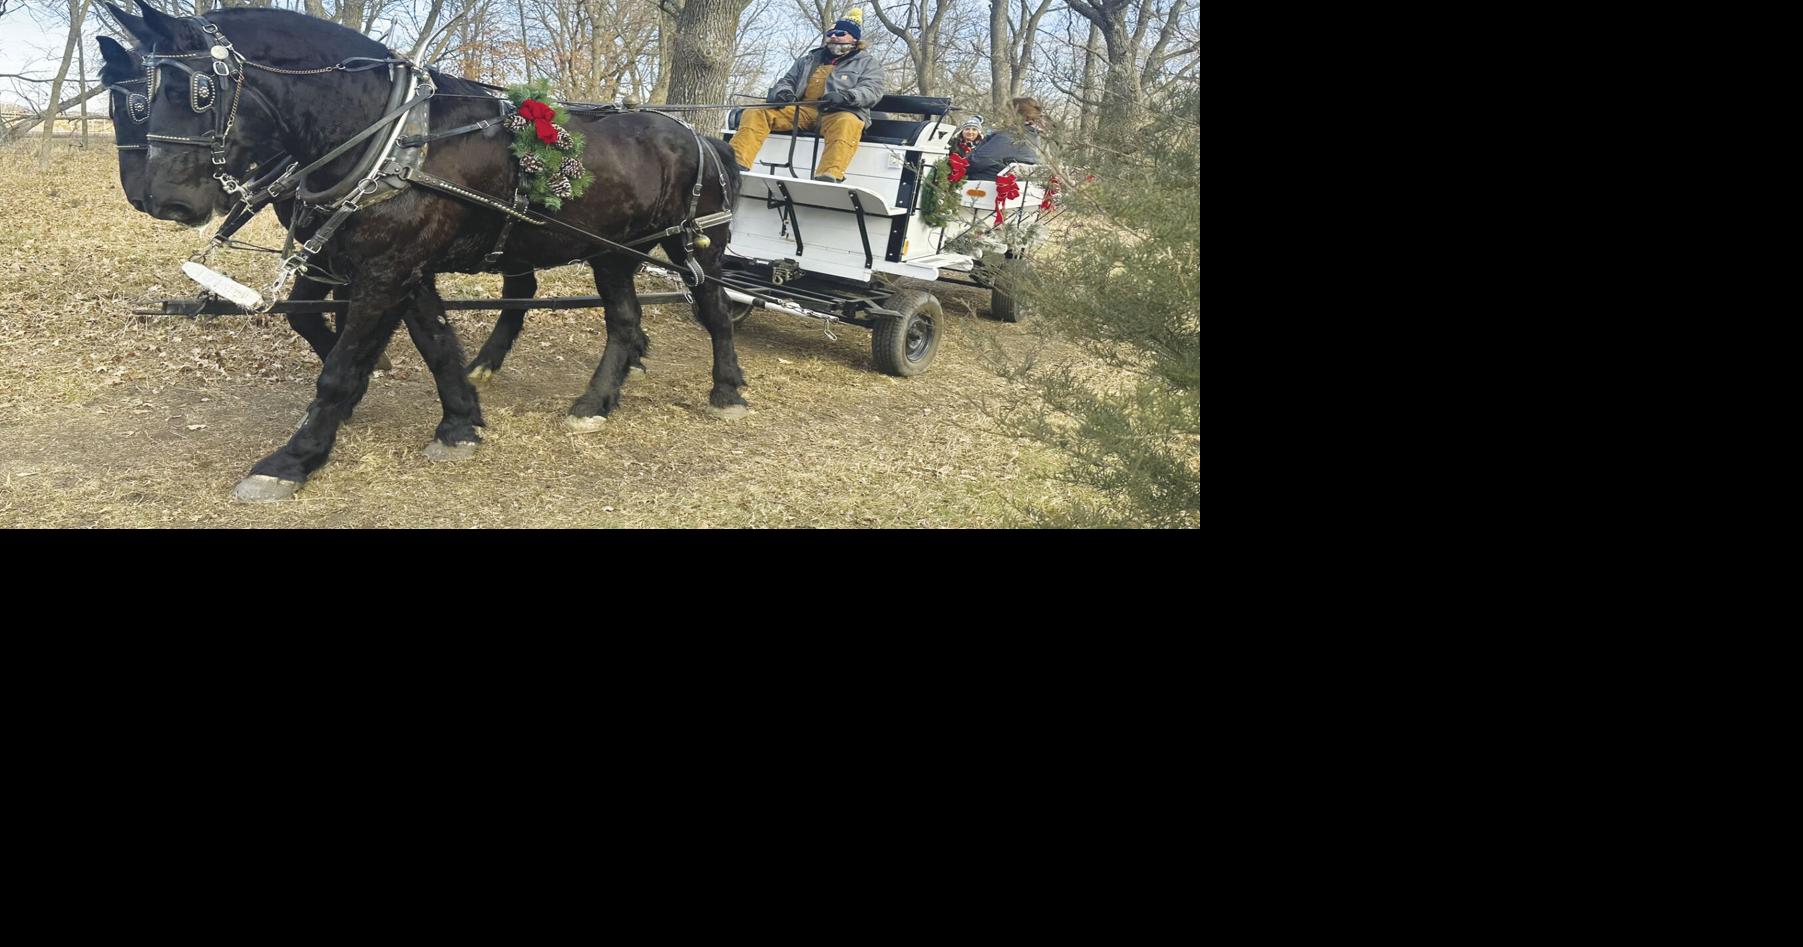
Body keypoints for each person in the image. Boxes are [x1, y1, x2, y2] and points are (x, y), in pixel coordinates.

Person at [728, 9, 886, 183]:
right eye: (830, 33)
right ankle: (734, 166)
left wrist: (846, 97)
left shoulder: (868, 62)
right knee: (756, 113)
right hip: (801, 111)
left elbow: (872, 90)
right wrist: (784, 93)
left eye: (840, 33)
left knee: (848, 123)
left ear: (854, 39)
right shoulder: (809, 59)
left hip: (839, 113)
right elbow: (786, 81)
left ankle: (828, 176)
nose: (834, 36)